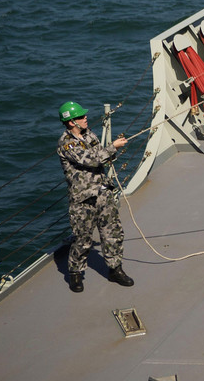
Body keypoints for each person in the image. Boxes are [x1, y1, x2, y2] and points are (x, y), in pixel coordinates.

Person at [57, 100, 134, 292]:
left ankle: (115, 269)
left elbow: (100, 155)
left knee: (113, 233)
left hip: (102, 193)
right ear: (71, 122)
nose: (86, 118)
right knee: (82, 239)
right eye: (81, 117)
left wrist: (110, 151)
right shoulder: (66, 143)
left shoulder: (89, 134)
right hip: (83, 199)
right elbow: (90, 160)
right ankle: (75, 273)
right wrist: (113, 147)